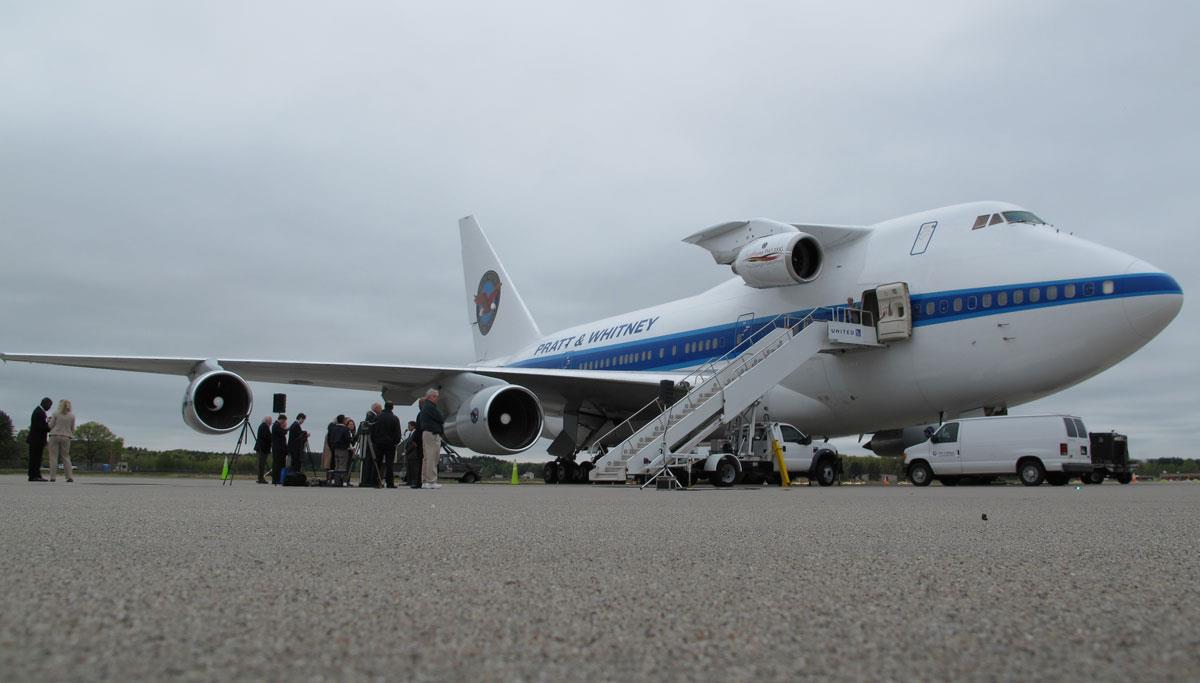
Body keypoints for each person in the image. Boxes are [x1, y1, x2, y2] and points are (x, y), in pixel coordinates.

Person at [418, 389, 445, 490]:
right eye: (436, 396)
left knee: (426, 458)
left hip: (427, 433)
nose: (437, 398)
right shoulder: (430, 407)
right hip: (432, 434)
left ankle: (425, 481)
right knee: (432, 457)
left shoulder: (425, 407)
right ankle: (431, 481)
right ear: (431, 397)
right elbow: (441, 418)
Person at [373, 402, 402, 488]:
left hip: (379, 443)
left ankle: (376, 481)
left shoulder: (378, 417)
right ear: (392, 408)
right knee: (389, 464)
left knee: (378, 462)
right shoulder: (395, 418)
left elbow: (373, 431)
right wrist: (396, 442)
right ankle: (390, 483)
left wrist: (375, 441)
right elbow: (397, 433)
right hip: (390, 444)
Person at [46, 399, 76, 483]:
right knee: (66, 456)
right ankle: (69, 476)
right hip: (66, 436)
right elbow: (73, 429)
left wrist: (48, 421)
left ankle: (53, 477)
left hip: (54, 435)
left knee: (53, 457)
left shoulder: (55, 414)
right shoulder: (72, 416)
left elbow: (51, 426)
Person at [26, 397, 52, 482]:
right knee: (35, 458)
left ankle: (35, 474)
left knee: (36, 458)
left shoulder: (39, 411)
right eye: (49, 405)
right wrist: (49, 426)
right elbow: (40, 426)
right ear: (45, 403)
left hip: (36, 439)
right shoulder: (39, 412)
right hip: (36, 439)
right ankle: (34, 475)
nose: (49, 407)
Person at [359, 403, 382, 488]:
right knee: (369, 461)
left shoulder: (371, 416)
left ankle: (365, 479)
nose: (381, 410)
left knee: (368, 461)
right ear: (376, 408)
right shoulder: (372, 417)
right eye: (380, 408)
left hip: (368, 441)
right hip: (370, 442)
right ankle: (367, 479)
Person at [328, 415, 353, 486]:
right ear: (343, 420)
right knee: (343, 465)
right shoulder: (345, 429)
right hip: (343, 449)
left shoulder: (333, 428)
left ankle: (336, 480)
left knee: (337, 464)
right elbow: (347, 439)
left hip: (335, 449)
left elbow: (330, 439)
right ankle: (343, 481)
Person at [401, 420, 422, 489]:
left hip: (414, 454)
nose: (408, 427)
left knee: (414, 469)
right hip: (410, 455)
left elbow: (414, 444)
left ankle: (414, 481)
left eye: (409, 426)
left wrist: (406, 451)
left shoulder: (415, 433)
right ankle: (409, 481)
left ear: (413, 426)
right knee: (409, 469)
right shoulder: (410, 433)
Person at [253, 416, 272, 484]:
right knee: (261, 464)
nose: (271, 423)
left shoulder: (262, 426)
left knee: (261, 464)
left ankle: (260, 478)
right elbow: (266, 436)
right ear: (267, 421)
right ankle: (261, 479)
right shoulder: (265, 426)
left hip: (260, 448)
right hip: (262, 448)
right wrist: (272, 438)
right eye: (270, 421)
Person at [271, 414, 289, 483]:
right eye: (284, 421)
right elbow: (282, 433)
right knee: (277, 464)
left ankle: (277, 479)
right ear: (281, 419)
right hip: (278, 449)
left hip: (278, 448)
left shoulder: (276, 425)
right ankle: (276, 479)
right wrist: (286, 429)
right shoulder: (276, 425)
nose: (284, 422)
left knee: (278, 464)